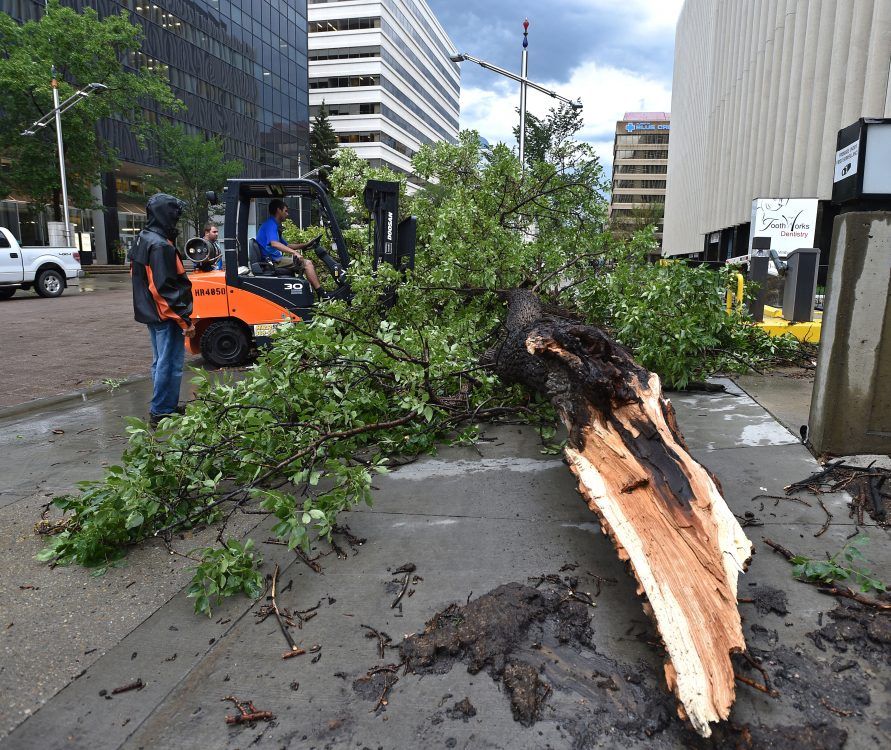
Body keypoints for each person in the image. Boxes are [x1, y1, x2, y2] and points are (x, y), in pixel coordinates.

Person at [129, 193, 195, 427]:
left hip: (152, 313)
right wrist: (183, 319)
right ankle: (161, 411)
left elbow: (139, 278)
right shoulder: (160, 246)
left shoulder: (144, 238)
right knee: (169, 363)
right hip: (165, 315)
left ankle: (164, 406)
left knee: (160, 361)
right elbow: (164, 288)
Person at [255, 199, 327, 297]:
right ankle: (322, 294)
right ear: (278, 210)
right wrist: (295, 253)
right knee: (307, 264)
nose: (287, 214)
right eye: (285, 211)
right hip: (272, 261)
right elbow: (274, 244)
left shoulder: (274, 226)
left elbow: (287, 246)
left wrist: (306, 244)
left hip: (274, 259)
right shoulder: (270, 225)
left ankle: (314, 293)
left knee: (304, 263)